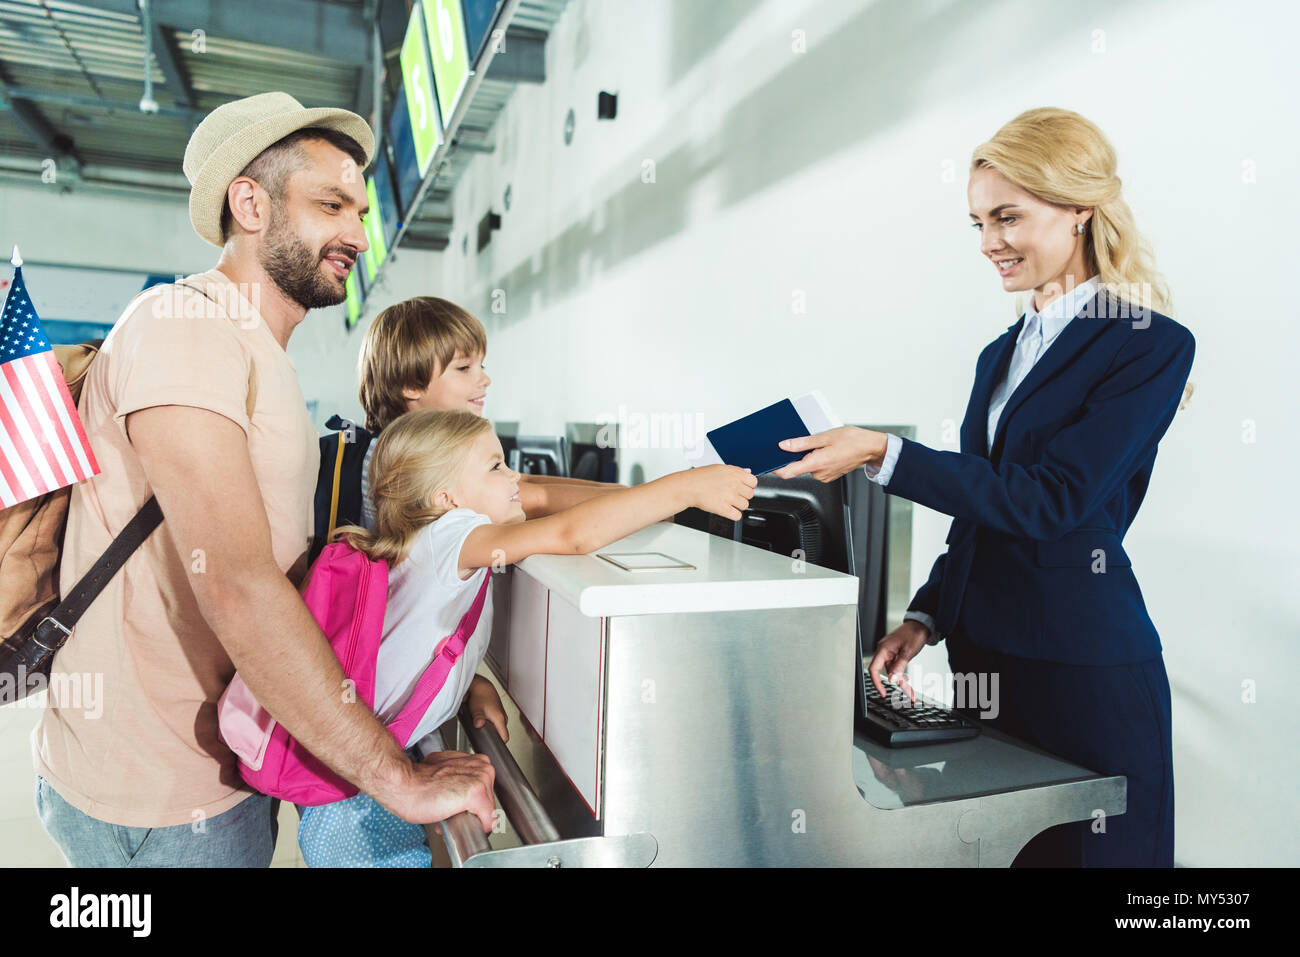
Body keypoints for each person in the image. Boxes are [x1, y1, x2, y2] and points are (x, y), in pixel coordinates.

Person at [33, 92, 494, 867]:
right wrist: (399, 779)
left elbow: (291, 578)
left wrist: (443, 680)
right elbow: (239, 585)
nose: (355, 231)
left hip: (224, 769)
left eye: (359, 209)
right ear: (249, 202)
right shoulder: (184, 326)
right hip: (162, 801)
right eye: (330, 204)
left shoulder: (260, 355)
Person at [773, 107, 1194, 867]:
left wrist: (886, 454)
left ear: (1078, 210)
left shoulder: (1151, 345)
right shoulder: (999, 354)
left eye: (1007, 216)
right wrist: (926, 614)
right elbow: (984, 507)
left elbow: (1051, 499)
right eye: (976, 222)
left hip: (1083, 670)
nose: (989, 242)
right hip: (987, 659)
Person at [297, 408, 756, 865]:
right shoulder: (453, 534)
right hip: (352, 800)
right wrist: (685, 489)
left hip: (358, 778)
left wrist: (471, 684)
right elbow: (571, 535)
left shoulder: (434, 543)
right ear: (446, 498)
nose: (515, 478)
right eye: (496, 467)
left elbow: (411, 647)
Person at [354, 295, 621, 536]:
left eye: (481, 365)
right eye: (463, 368)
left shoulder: (401, 443)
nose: (485, 379)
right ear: (411, 386)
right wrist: (645, 502)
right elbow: (537, 498)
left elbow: (520, 480)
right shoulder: (407, 458)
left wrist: (619, 492)